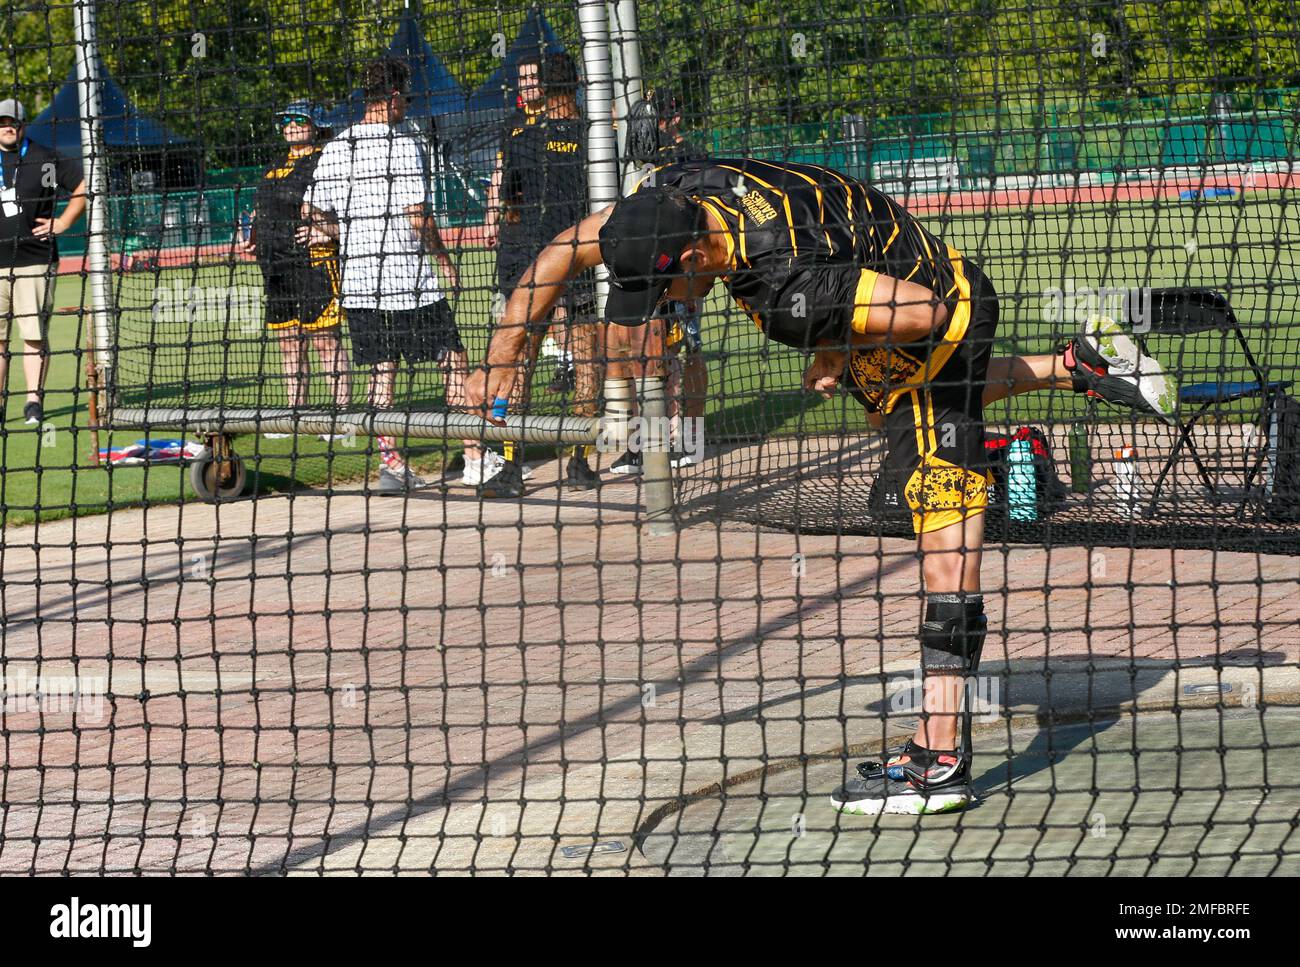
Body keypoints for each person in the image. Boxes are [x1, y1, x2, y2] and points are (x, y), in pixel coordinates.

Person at [465, 157, 1177, 815]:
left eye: (661, 291)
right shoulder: (679, 193)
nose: (660, 308)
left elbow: (925, 315)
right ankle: (1078, 363)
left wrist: (837, 342)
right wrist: (505, 353)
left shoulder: (783, 288)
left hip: (940, 315)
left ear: (691, 258)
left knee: (942, 543)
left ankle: (939, 760)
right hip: (910, 288)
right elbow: (562, 248)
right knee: (894, 405)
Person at [305, 58, 487, 494]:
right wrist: (444, 261)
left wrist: (345, 232)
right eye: (404, 96)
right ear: (390, 98)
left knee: (380, 372)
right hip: (409, 280)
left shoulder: (337, 146)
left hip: (361, 285)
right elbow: (418, 216)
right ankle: (476, 459)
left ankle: (391, 463)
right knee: (452, 363)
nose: (407, 104)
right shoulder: (404, 142)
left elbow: (310, 210)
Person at [487, 51, 600, 496]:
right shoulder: (597, 137)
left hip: (532, 265)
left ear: (542, 88)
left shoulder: (521, 138)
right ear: (575, 83)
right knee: (588, 360)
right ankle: (579, 463)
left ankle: (511, 468)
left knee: (520, 361)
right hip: (581, 259)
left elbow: (507, 206)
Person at [235, 101, 349, 432]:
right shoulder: (277, 163)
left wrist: (326, 231)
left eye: (298, 119)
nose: (289, 125)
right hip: (276, 265)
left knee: (324, 339)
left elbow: (349, 204)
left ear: (317, 124)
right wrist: (253, 232)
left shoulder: (326, 160)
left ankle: (341, 419)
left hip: (313, 262)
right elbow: (263, 207)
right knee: (288, 341)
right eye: (285, 119)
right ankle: (294, 416)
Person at [613, 88, 711, 474]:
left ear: (673, 120)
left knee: (687, 351)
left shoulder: (692, 158)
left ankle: (690, 436)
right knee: (643, 353)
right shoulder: (640, 158)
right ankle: (646, 443)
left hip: (682, 273)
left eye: (658, 119)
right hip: (647, 271)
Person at [0, 98, 86, 425]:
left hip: (35, 261)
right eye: (2, 121)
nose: (8, 126)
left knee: (33, 335)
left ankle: (33, 403)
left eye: (13, 121)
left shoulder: (43, 157)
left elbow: (82, 186)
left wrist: (63, 222)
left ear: (23, 124)